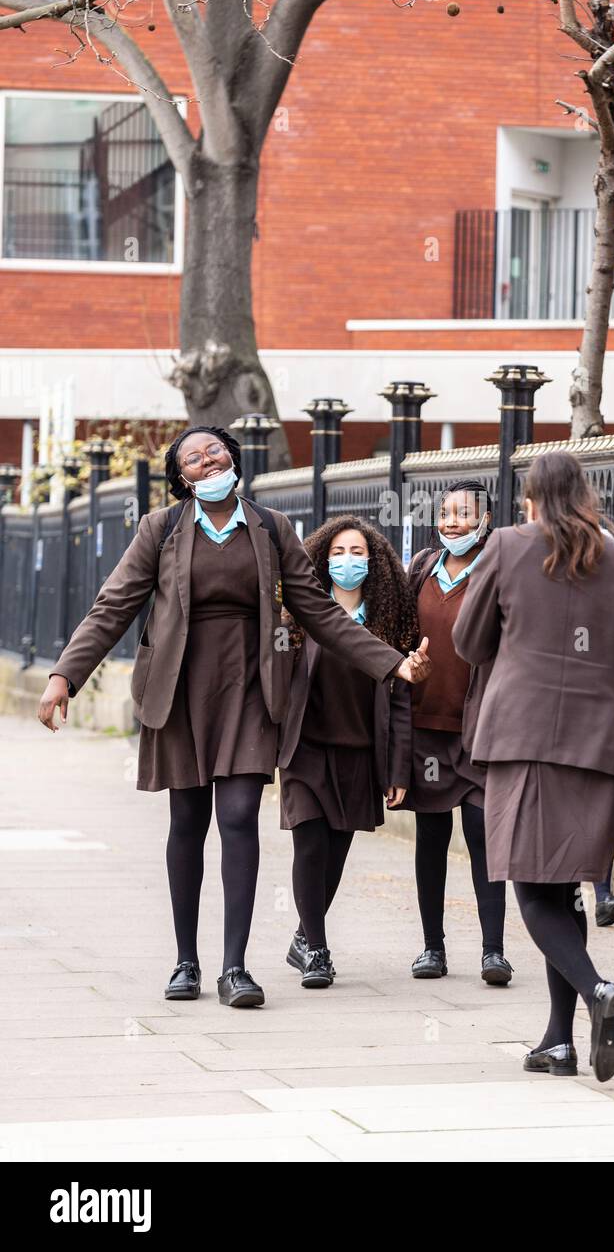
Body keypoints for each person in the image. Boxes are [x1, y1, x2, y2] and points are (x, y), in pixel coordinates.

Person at [37, 427, 430, 1009]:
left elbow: (318, 610)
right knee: (188, 822)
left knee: (240, 815)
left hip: (250, 689)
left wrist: (393, 664)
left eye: (214, 450)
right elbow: (113, 604)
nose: (207, 460)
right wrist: (65, 674)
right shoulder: (160, 529)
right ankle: (185, 961)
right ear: (181, 477)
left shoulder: (271, 528)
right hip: (178, 693)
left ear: (233, 458)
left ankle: (235, 967)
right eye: (192, 458)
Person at [452, 452, 614, 1082]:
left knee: (529, 884)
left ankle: (599, 990)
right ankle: (558, 1041)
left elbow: (467, 642)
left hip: (522, 738)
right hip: (600, 743)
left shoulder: (508, 546)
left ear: (531, 498)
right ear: (586, 493)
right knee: (565, 883)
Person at [278, 515, 420, 988]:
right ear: (321, 559)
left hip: (359, 754)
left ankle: (303, 936)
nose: (346, 561)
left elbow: (401, 703)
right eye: (337, 552)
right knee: (311, 843)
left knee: (335, 854)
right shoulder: (299, 616)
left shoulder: (389, 619)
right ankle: (317, 950)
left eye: (357, 552)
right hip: (306, 750)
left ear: (374, 560)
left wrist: (397, 769)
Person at [396, 479, 513, 987]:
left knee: (483, 835)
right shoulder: (420, 569)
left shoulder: (499, 571)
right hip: (425, 727)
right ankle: (432, 948)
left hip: (480, 729)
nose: (452, 523)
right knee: (431, 837)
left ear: (485, 520)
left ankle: (494, 952)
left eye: (463, 514)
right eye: (445, 513)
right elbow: (396, 634)